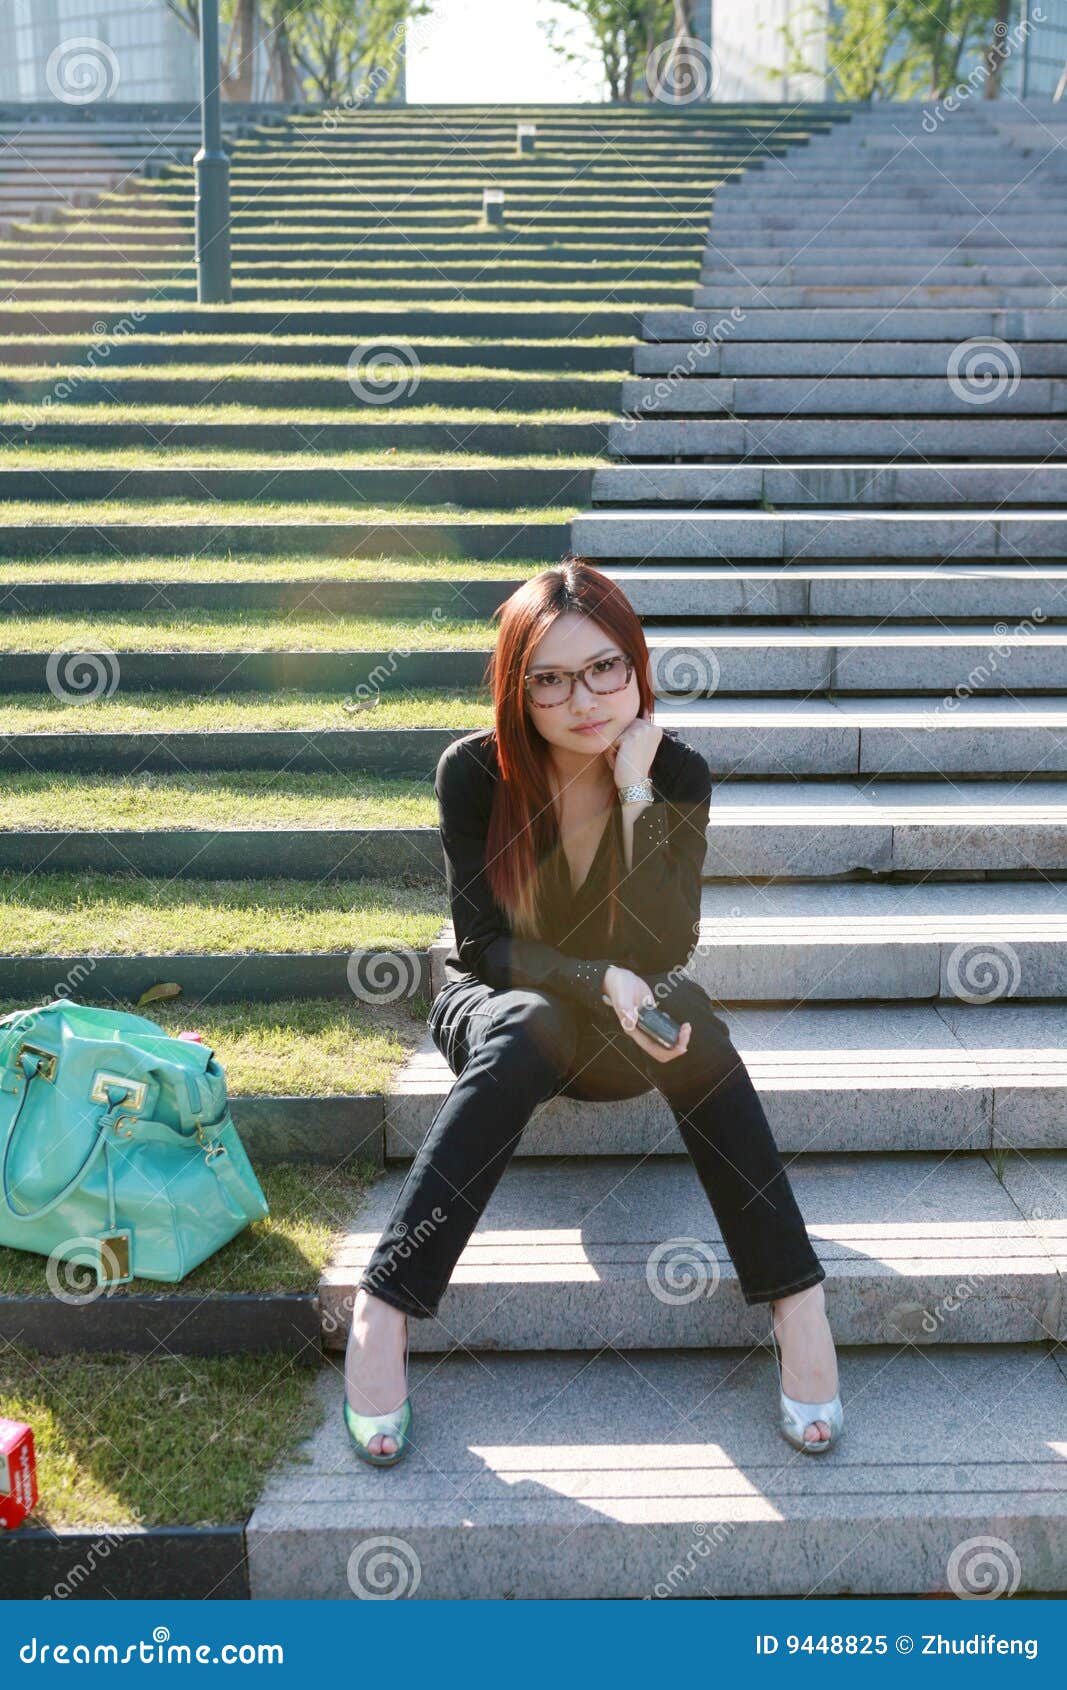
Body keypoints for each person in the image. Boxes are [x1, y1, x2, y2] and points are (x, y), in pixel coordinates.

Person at [343, 557, 842, 1466]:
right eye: (551, 679)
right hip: (498, 1013)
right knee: (532, 1018)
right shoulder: (475, 772)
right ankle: (384, 1306)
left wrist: (636, 792)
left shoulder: (677, 773)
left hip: (620, 1021)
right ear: (517, 688)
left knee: (702, 1032)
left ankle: (797, 1304)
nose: (584, 699)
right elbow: (484, 947)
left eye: (605, 667)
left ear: (636, 664)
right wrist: (589, 977)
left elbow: (659, 952)